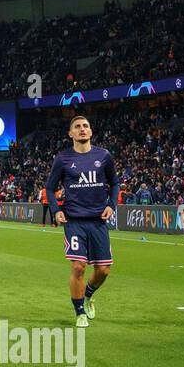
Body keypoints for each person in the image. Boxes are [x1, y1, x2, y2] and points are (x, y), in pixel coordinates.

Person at [45, 116, 117, 328]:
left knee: (103, 270)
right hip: (74, 220)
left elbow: (115, 182)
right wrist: (56, 210)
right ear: (71, 134)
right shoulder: (62, 158)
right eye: (77, 127)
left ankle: (88, 295)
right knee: (78, 266)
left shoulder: (103, 156)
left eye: (85, 126)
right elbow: (50, 188)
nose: (82, 129)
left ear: (91, 131)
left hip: (98, 221)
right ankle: (79, 313)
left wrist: (112, 205)